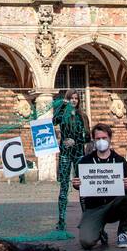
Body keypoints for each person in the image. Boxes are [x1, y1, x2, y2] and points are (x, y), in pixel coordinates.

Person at [73, 123, 127, 249]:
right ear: (94, 140)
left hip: (113, 205)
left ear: (109, 139)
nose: (101, 141)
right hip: (94, 208)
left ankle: (122, 232)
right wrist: (76, 185)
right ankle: (100, 231)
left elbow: (126, 188)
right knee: (86, 242)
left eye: (104, 138)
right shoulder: (85, 161)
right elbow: (82, 186)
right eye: (98, 138)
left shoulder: (119, 161)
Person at [53, 88, 89, 231]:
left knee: (82, 187)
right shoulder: (63, 116)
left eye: (76, 98)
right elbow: (54, 121)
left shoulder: (83, 116)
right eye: (71, 98)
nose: (74, 100)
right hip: (65, 154)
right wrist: (63, 105)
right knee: (63, 187)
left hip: (79, 154)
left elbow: (88, 137)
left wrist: (76, 141)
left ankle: (86, 218)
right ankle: (61, 220)